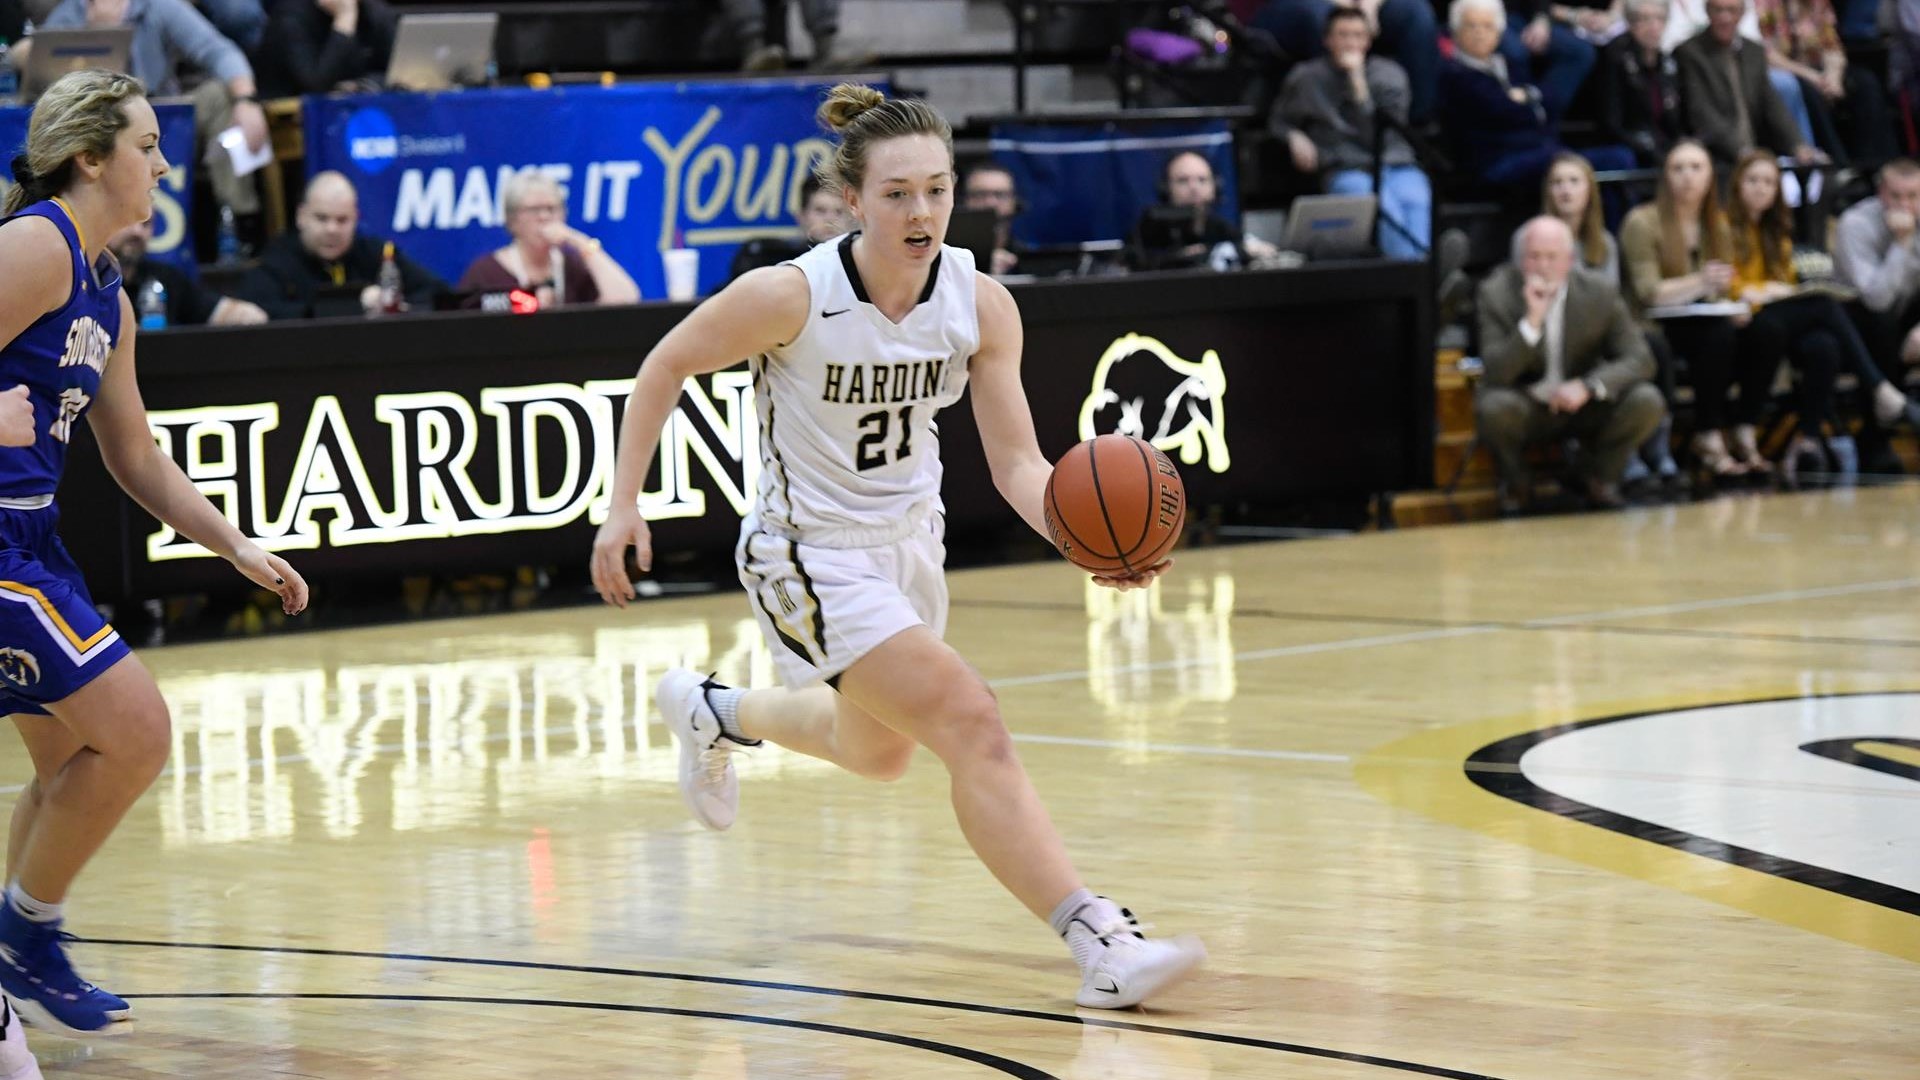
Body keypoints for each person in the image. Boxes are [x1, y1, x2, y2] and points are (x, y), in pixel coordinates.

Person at [588, 83, 1206, 1010]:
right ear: (852, 200)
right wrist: (621, 506)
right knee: (972, 719)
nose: (922, 212)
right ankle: (1100, 938)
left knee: (877, 752)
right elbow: (664, 363)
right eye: (897, 194)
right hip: (806, 550)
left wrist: (1089, 546)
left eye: (938, 190)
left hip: (911, 544)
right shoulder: (790, 296)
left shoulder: (980, 302)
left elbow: (1020, 465)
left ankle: (716, 711)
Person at [0, 68, 307, 1035]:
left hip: (31, 534)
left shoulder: (107, 293)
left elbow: (134, 453)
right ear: (88, 159)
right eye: (146, 147)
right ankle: (24, 939)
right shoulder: (36, 244)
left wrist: (233, 544)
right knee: (137, 731)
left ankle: (14, 953)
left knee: (67, 771)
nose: (165, 166)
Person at [1727, 148, 1920, 475]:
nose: (1761, 189)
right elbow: (1876, 299)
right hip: (1753, 319)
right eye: (1753, 181)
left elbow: (1785, 284)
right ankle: (1881, 393)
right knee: (1833, 307)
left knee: (1823, 347)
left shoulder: (1778, 232)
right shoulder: (1721, 228)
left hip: (1796, 320)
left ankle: (1808, 441)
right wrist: (1902, 244)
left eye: (1769, 183)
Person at [1475, 216, 1667, 511]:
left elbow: (1640, 358)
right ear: (1519, 260)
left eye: (1552, 257)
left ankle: (1600, 479)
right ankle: (1516, 484)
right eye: (1534, 257)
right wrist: (1531, 323)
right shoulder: (1496, 292)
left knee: (1646, 400)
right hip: (1527, 403)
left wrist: (1589, 387)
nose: (1543, 266)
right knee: (1492, 407)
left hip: (1583, 402)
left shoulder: (1599, 291)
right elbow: (1497, 372)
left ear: (1570, 260)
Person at [1620, 139, 1776, 476]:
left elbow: (1720, 289)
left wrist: (1732, 305)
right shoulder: (1641, 222)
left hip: (1699, 321)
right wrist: (1700, 283)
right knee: (1717, 337)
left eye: (1696, 168)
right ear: (1665, 177)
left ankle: (1745, 427)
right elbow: (1649, 293)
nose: (1687, 176)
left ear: (1710, 177)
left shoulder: (1716, 225)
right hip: (1652, 326)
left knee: (1763, 331)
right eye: (1678, 168)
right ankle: (1707, 433)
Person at [1271, 6, 1431, 259]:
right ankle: (1427, 274)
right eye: (1343, 35)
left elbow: (1379, 136)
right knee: (1383, 207)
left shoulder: (1390, 75)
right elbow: (1278, 120)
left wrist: (1359, 85)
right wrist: (1293, 136)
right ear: (1327, 40)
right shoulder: (1306, 78)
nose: (1350, 42)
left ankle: (1420, 270)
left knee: (1416, 199)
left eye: (1357, 35)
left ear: (1368, 40)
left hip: (1394, 162)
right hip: (1345, 167)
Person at [241, 170, 444, 319]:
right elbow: (257, 311)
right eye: (321, 218)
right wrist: (354, 305)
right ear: (301, 216)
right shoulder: (277, 261)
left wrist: (392, 303)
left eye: (342, 220)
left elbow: (438, 294)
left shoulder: (374, 253)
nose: (332, 229)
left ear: (356, 218)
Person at [1674, 0, 1822, 174]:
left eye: (1731, 10)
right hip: (1714, 155)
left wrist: (1797, 145)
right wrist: (1742, 153)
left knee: (1814, 170)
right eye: (1718, 10)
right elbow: (1701, 114)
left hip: (1756, 152)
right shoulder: (1689, 52)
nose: (1725, 17)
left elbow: (1772, 105)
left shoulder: (1754, 51)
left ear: (1742, 13)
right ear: (1708, 12)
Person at [454, 171, 638, 310]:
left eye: (551, 209)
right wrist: (527, 302)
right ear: (512, 221)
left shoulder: (571, 265)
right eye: (534, 209)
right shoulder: (486, 272)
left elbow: (626, 299)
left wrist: (579, 241)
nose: (544, 217)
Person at [1127, 150, 1277, 270]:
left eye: (1202, 180)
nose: (1194, 188)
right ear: (1166, 189)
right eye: (1183, 180)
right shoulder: (1150, 225)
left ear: (1215, 188)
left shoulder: (1218, 226)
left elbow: (1250, 247)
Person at [107, 216, 268, 326]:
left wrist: (245, 314)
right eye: (128, 222)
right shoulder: (88, 277)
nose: (137, 232)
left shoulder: (164, 276)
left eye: (146, 224)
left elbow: (218, 310)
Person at [1598, 0, 1688, 165]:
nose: (1653, 26)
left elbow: (1676, 120)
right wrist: (1648, 148)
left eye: (1659, 19)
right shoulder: (1616, 57)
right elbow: (1611, 123)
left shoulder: (1668, 63)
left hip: (1661, 143)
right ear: (1630, 23)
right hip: (1628, 144)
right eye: (1644, 19)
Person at [252, 0, 398, 98]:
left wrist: (363, 85)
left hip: (355, 118)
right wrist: (345, 19)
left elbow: (397, 72)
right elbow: (316, 87)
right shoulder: (289, 18)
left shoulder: (372, 11)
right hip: (291, 126)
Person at [727, 174, 852, 282]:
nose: (830, 219)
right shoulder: (764, 257)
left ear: (853, 216)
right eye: (820, 211)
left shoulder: (859, 267)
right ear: (801, 216)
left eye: (839, 212)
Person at [961, 163, 1025, 276]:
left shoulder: (1028, 257)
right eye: (980, 195)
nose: (990, 203)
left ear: (1014, 201)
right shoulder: (949, 258)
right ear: (965, 201)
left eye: (1000, 195)